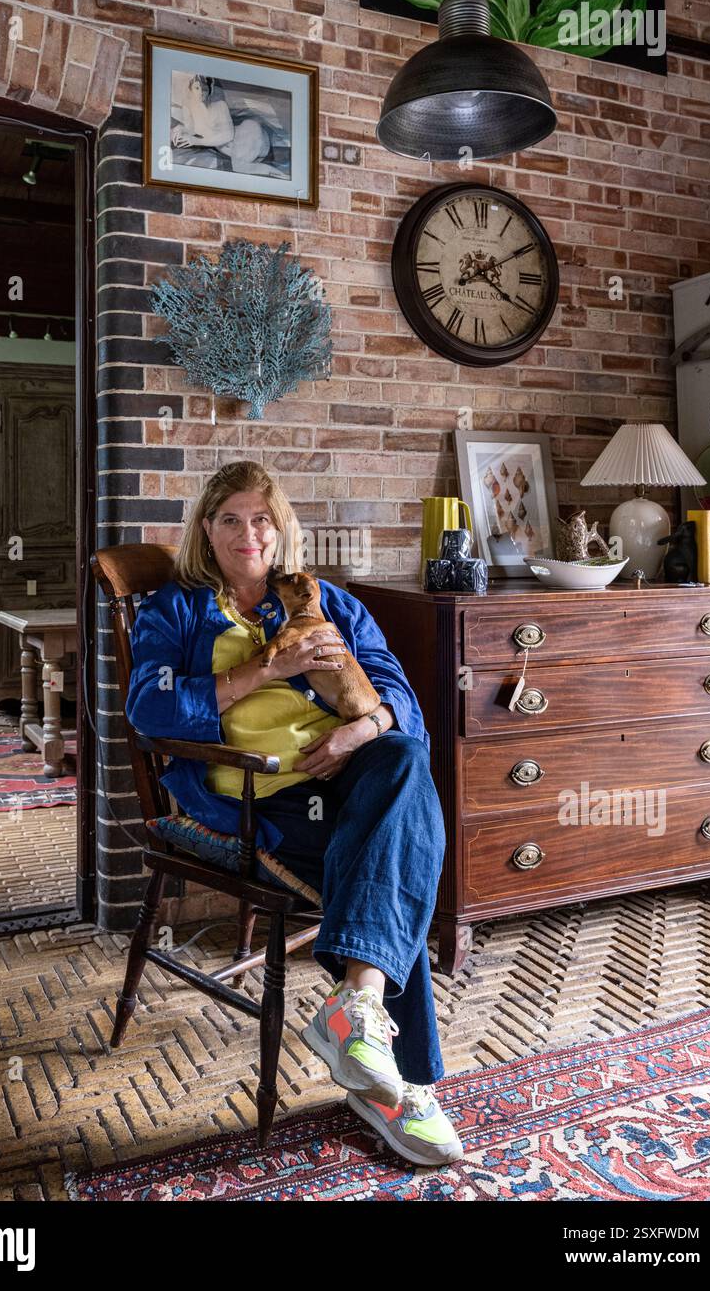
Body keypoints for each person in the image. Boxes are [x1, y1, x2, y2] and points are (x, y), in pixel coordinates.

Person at [126, 461, 462, 1166]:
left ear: (281, 530)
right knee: (396, 854)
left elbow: (403, 702)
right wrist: (268, 670)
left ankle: (359, 1014)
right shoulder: (174, 610)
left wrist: (359, 731)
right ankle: (400, 1085)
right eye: (230, 519)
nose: (248, 534)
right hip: (258, 797)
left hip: (347, 777)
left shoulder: (328, 601)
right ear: (206, 530)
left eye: (262, 519)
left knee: (402, 762)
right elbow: (150, 707)